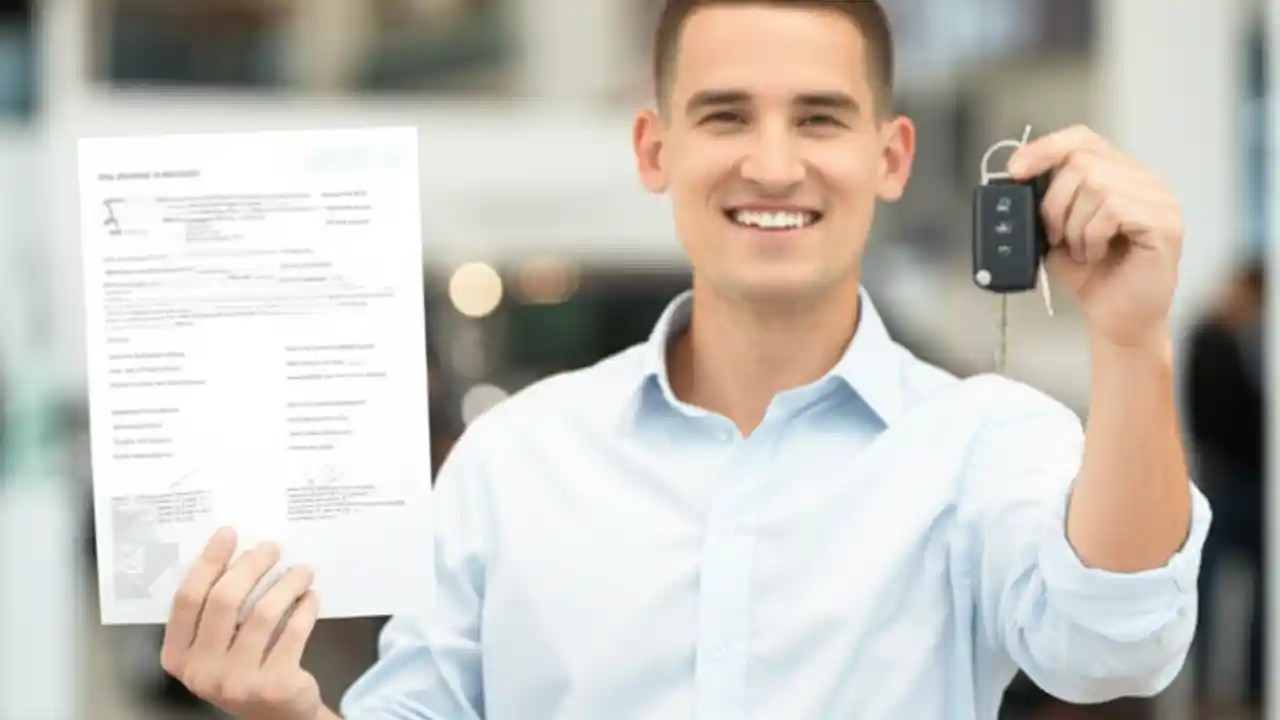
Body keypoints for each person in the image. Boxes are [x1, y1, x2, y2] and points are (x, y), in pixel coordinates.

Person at [157, 2, 1211, 718]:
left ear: (888, 158)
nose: (770, 162)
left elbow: (1112, 645)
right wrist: (290, 711)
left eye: (817, 118)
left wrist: (1127, 340)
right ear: (654, 149)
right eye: (723, 116)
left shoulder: (986, 442)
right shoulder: (511, 459)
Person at [1188, 261, 1265, 710]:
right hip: (1227, 483)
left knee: (1255, 596)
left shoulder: (1244, 342)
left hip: (1242, 484)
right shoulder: (1215, 339)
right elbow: (1222, 417)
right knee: (1208, 597)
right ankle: (1208, 694)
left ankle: (1251, 689)